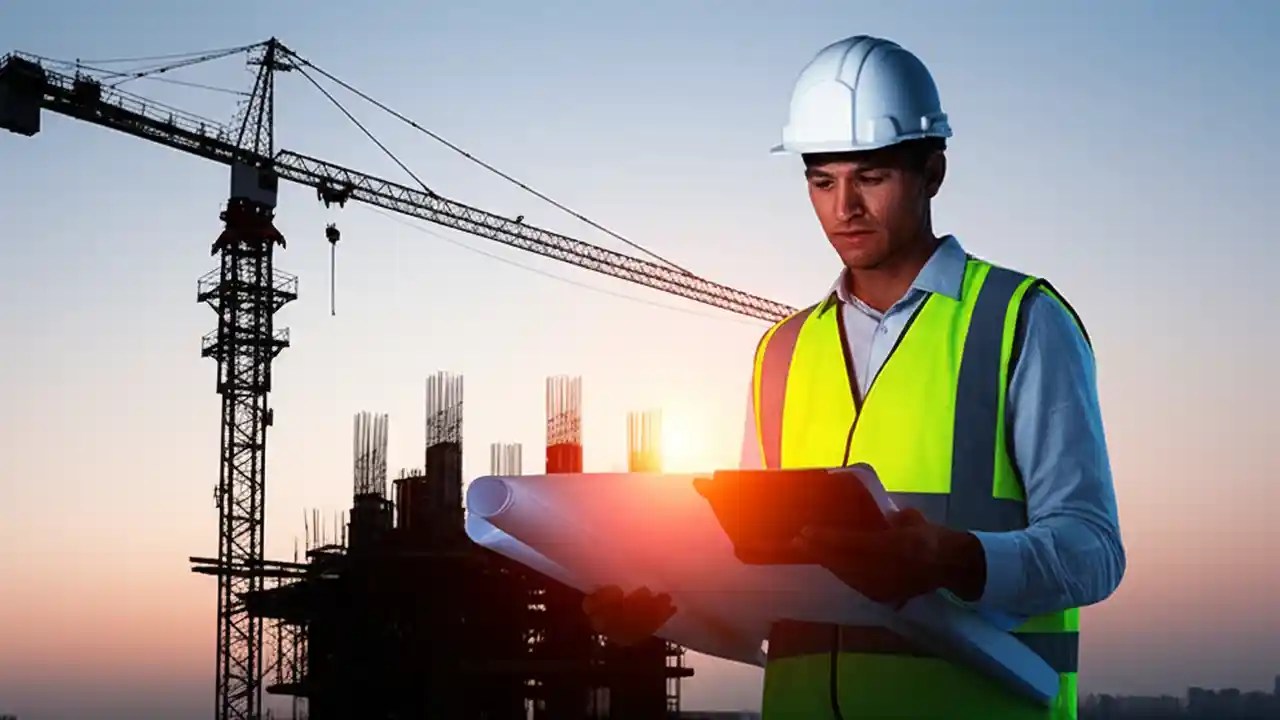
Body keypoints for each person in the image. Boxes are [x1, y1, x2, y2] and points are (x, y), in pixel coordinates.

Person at [583, 34, 1124, 719]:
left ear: (933, 171)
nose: (845, 208)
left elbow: (1093, 551)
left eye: (870, 177)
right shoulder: (780, 351)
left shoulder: (1021, 322)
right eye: (822, 180)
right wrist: (661, 610)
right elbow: (761, 586)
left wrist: (956, 558)